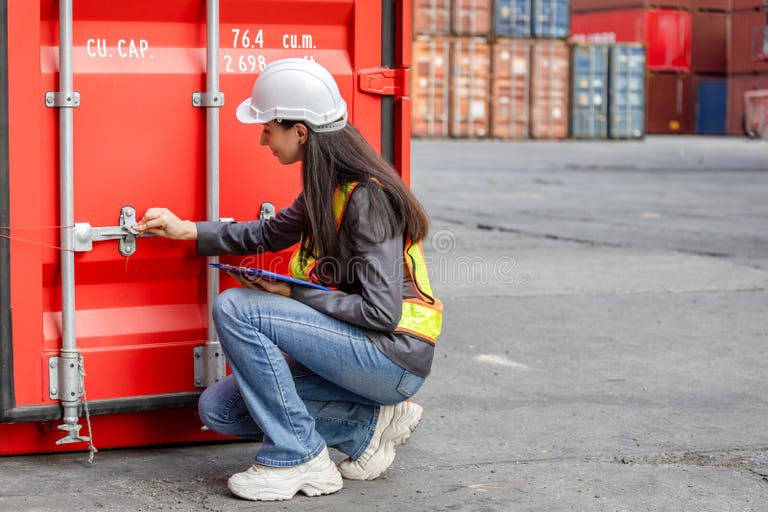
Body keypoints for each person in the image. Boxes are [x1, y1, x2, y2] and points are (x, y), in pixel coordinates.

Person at [134, 58, 442, 502]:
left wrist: (294, 293)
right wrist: (189, 230)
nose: (263, 138)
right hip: (360, 348)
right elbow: (266, 233)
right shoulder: (326, 189)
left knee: (234, 306)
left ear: (300, 131)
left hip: (393, 355)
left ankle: (298, 457)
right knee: (221, 410)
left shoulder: (367, 199)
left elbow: (381, 311)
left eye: (268, 128)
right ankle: (369, 427)